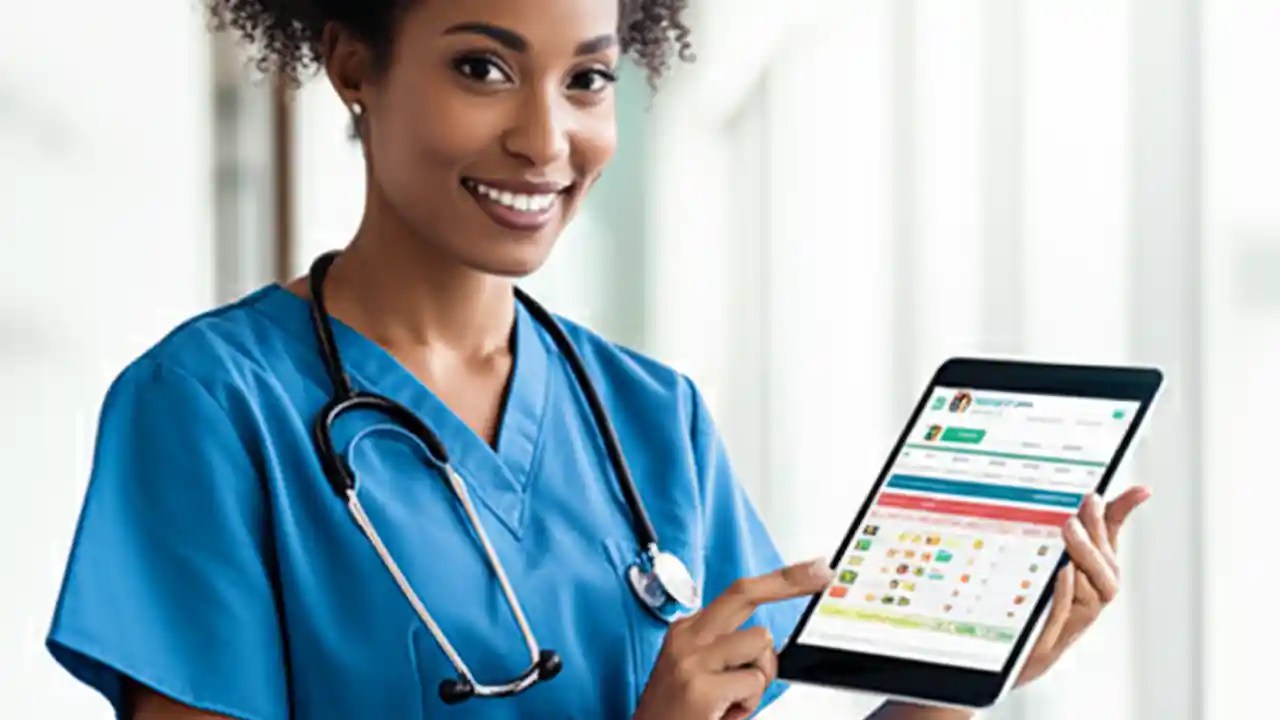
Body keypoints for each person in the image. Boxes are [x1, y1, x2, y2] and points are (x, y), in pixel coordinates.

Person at [45, 1, 1151, 718]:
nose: (545, 140)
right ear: (351, 67)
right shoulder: (208, 405)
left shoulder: (648, 414)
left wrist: (948, 692)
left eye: (585, 80)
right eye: (482, 68)